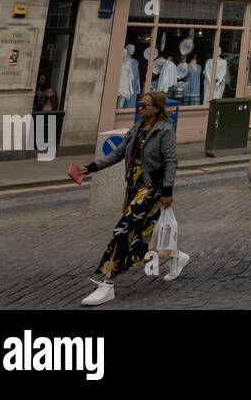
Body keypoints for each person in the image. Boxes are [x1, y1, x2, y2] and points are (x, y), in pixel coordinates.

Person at [73, 90, 183, 306]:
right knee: (142, 235)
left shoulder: (164, 131)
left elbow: (171, 161)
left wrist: (167, 191)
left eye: (144, 106)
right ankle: (174, 256)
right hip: (134, 187)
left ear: (157, 109)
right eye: (139, 105)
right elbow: (118, 153)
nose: (140, 109)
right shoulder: (137, 128)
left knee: (122, 231)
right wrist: (91, 168)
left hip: (152, 189)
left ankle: (108, 284)